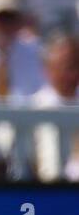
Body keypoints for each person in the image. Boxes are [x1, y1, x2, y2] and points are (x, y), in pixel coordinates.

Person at [30, 32, 79, 182]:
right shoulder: (34, 107)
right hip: (48, 191)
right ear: (48, 69)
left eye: (75, 65)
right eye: (66, 67)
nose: (72, 74)